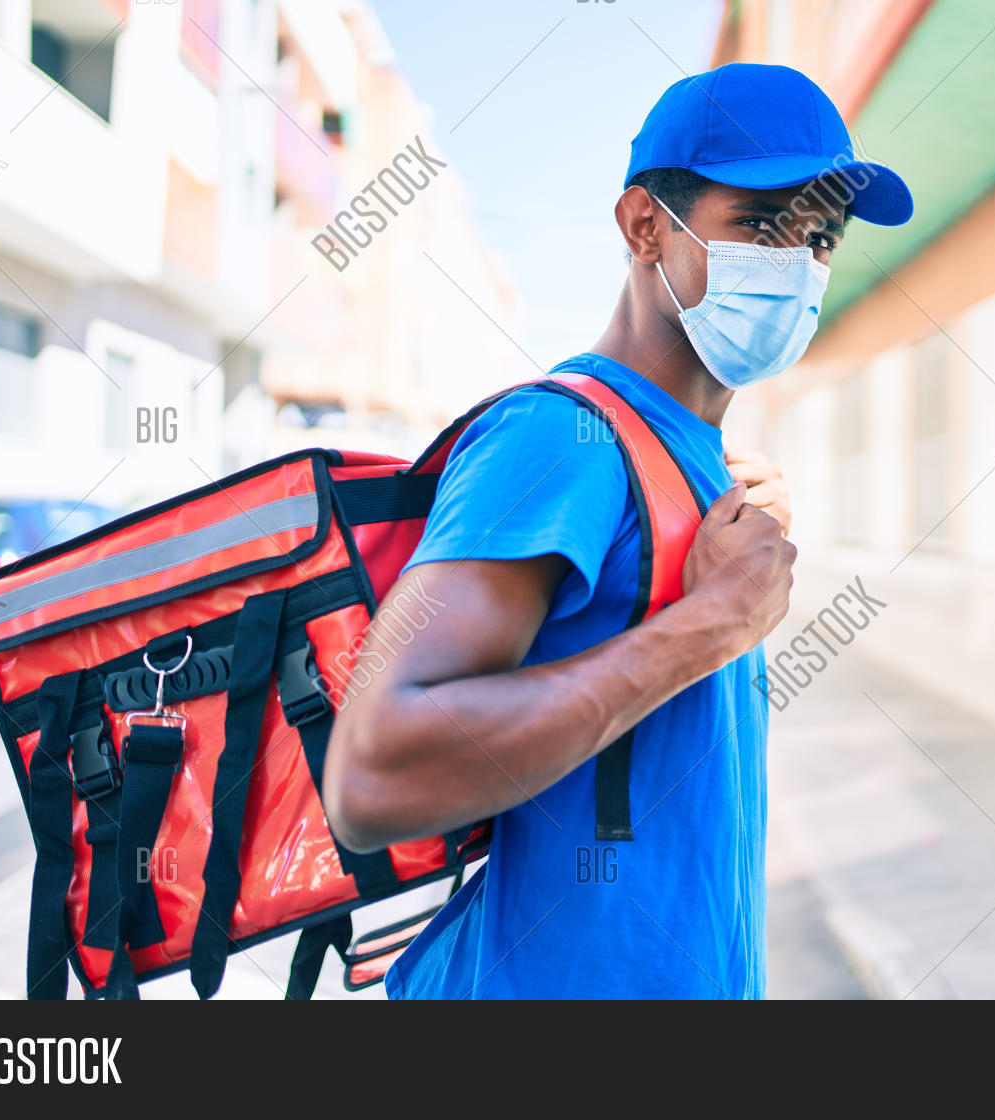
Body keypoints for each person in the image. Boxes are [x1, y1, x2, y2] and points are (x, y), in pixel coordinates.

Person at [324, 62, 913, 999]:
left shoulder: (696, 463)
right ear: (647, 227)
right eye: (761, 224)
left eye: (822, 236)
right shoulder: (561, 437)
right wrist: (713, 622)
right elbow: (372, 777)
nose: (798, 264)